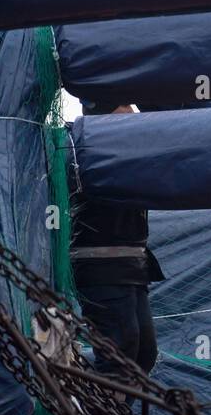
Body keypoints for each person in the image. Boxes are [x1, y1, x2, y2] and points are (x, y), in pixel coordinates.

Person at [70, 103, 164, 377]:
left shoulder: (135, 148)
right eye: (125, 106)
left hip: (133, 265)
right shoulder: (87, 149)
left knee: (144, 354)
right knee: (119, 355)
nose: (134, 112)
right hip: (100, 265)